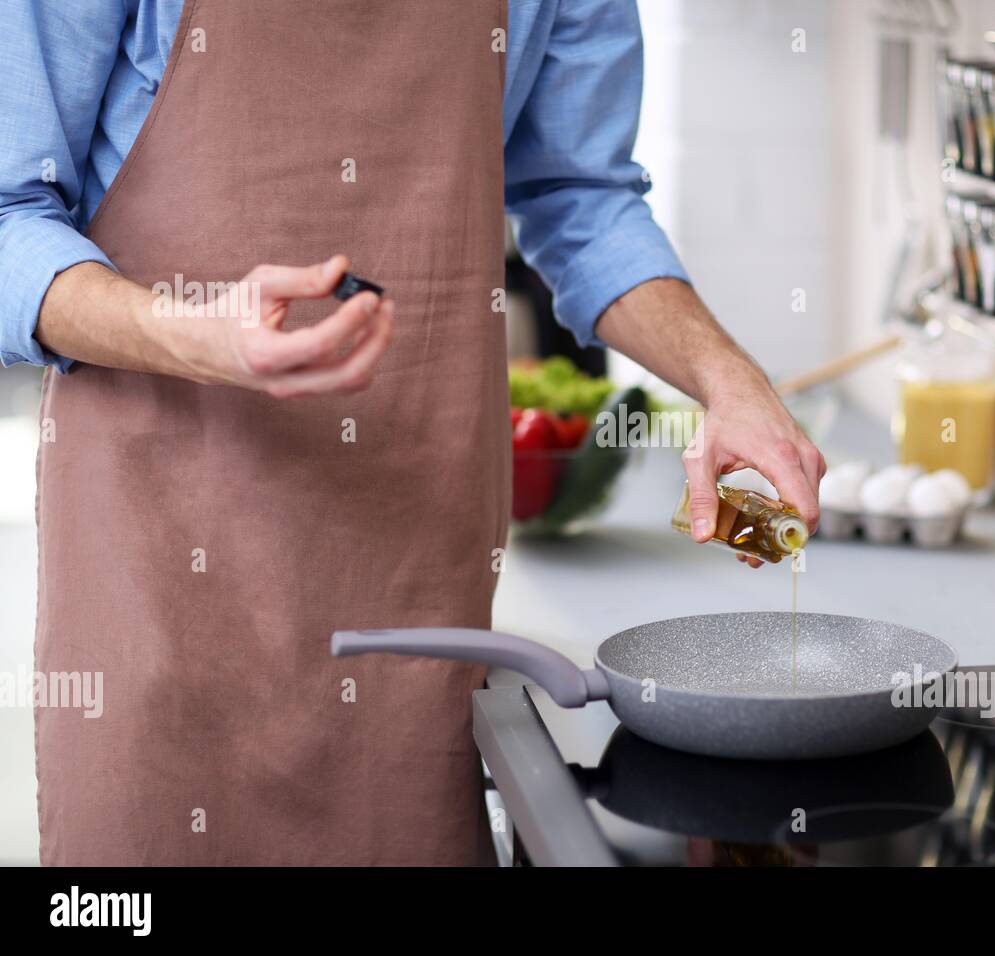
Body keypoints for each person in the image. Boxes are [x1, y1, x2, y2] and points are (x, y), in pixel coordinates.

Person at [0, 0, 824, 864]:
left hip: (415, 594)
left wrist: (729, 380)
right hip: (157, 564)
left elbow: (582, 199)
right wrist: (189, 331)